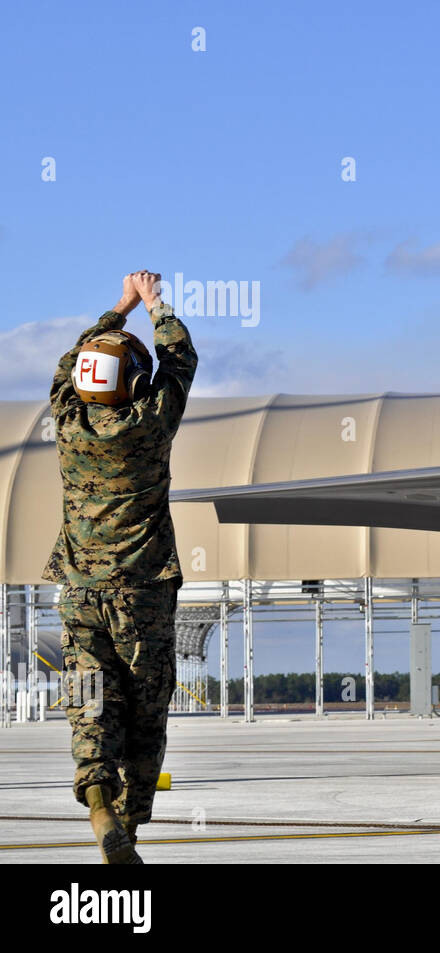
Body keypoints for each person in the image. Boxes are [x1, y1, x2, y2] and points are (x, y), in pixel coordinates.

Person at [43, 271, 198, 863]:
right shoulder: (149, 424)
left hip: (79, 592)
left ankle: (97, 793)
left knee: (89, 695)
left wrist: (120, 308)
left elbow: (66, 366)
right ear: (134, 382)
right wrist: (154, 305)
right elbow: (179, 359)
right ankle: (127, 829)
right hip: (143, 595)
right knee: (143, 707)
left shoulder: (68, 423)